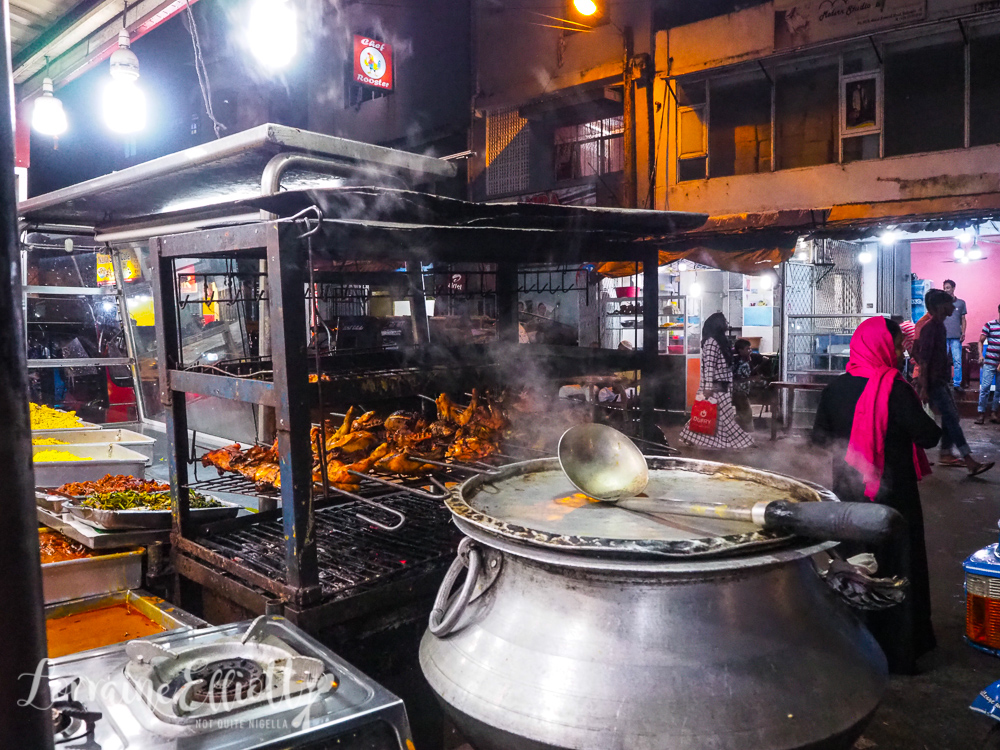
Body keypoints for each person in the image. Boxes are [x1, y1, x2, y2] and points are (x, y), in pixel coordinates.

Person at [812, 317, 941, 674]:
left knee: (853, 566)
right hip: (892, 498)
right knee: (895, 565)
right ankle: (897, 649)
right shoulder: (895, 389)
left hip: (847, 498)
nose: (901, 352)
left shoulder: (835, 389)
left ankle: (851, 644)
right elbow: (929, 436)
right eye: (898, 345)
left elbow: (819, 439)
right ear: (882, 346)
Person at [917, 289, 994, 476]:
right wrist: (924, 387)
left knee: (951, 417)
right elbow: (924, 360)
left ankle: (946, 453)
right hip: (934, 382)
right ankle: (968, 460)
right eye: (949, 303)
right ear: (939, 307)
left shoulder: (940, 327)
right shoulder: (930, 328)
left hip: (941, 381)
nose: (953, 307)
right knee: (951, 418)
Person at [680, 313, 753, 449]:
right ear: (718, 324)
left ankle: (690, 437)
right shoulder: (712, 342)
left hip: (720, 385)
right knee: (721, 417)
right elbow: (709, 366)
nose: (727, 323)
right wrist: (708, 387)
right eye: (724, 321)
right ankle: (744, 441)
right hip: (715, 386)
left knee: (709, 415)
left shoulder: (718, 341)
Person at [977, 303, 1000, 425]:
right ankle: (981, 414)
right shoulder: (990, 325)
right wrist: (981, 355)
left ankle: (994, 413)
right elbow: (980, 341)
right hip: (989, 362)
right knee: (985, 388)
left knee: (999, 390)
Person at [942, 279, 967, 389]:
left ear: (953, 288)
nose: (946, 290)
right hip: (943, 337)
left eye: (948, 288)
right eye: (944, 288)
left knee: (957, 361)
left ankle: (957, 383)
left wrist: (963, 332)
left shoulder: (961, 303)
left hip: (956, 337)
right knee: (942, 360)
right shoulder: (942, 304)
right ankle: (943, 382)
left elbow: (963, 319)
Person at [732, 339, 755, 433]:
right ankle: (746, 432)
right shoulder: (741, 363)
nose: (750, 351)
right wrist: (753, 378)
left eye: (750, 348)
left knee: (742, 412)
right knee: (746, 413)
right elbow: (738, 379)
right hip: (739, 392)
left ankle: (739, 431)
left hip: (740, 392)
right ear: (740, 351)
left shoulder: (742, 361)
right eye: (747, 349)